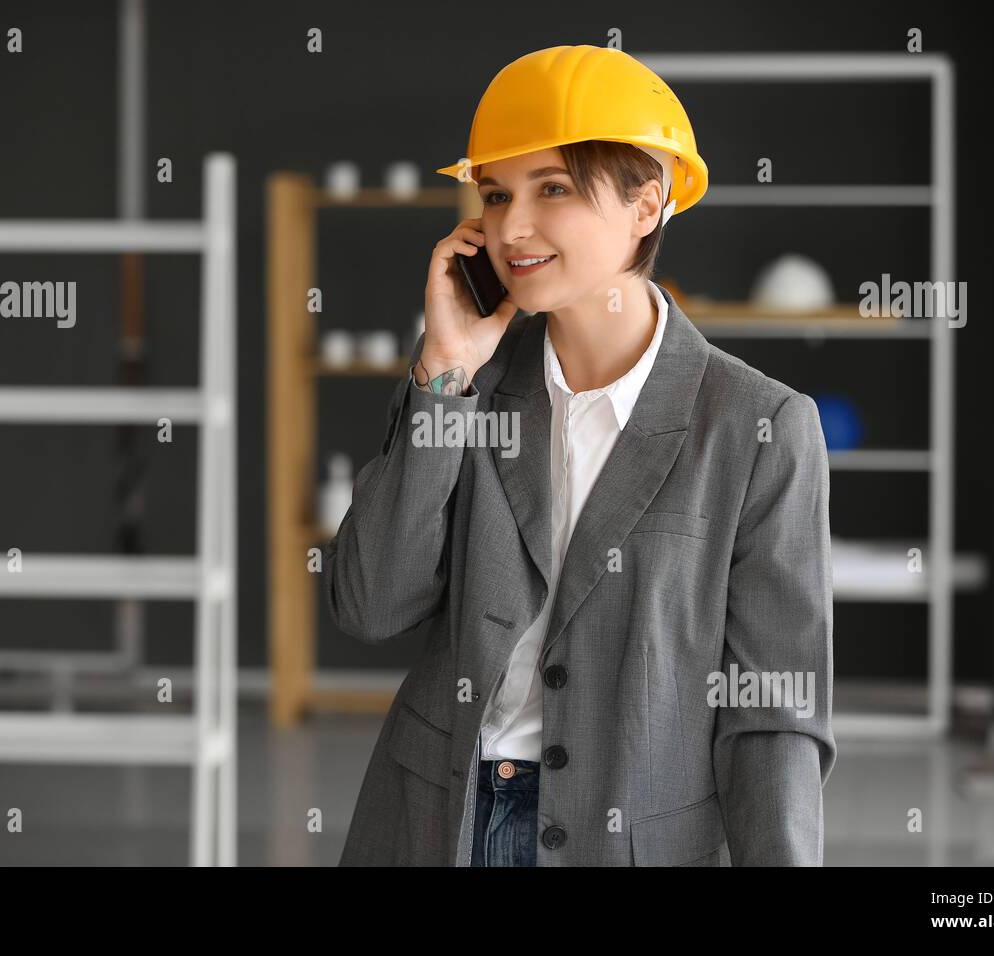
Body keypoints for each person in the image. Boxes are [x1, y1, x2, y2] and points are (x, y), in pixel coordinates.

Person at [326, 44, 836, 866]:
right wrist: (444, 372)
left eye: (552, 188)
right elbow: (370, 604)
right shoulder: (462, 385)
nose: (511, 228)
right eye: (495, 194)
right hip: (436, 822)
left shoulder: (759, 427)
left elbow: (772, 713)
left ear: (648, 204)